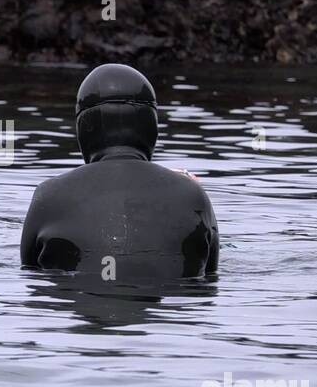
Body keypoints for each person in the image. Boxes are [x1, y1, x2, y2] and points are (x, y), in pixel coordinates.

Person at [20, 64, 218, 278]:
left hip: (73, 300)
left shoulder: (49, 195)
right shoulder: (192, 195)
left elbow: (30, 272)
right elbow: (209, 277)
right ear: (151, 125)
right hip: (169, 310)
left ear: (84, 127)